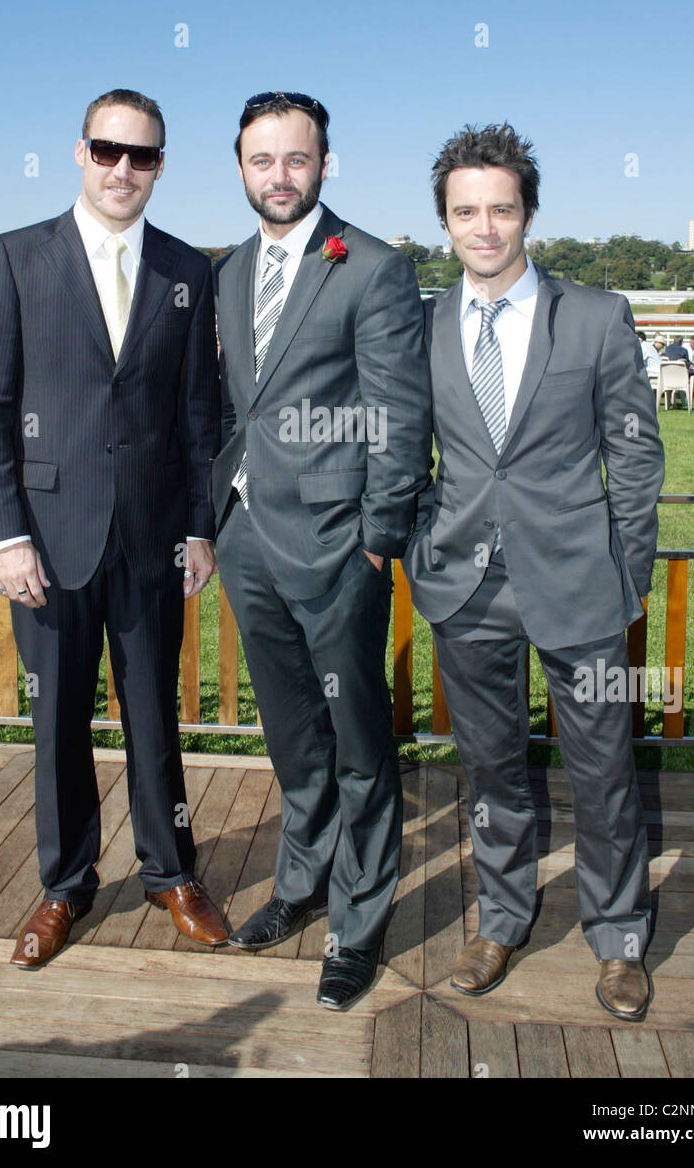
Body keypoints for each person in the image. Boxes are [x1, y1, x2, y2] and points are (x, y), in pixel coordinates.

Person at [402, 122, 665, 1021]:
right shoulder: (423, 324)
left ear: (527, 215)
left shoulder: (593, 316)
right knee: (489, 769)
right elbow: (403, 455)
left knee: (603, 767)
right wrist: (416, 547)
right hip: (464, 587)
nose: (484, 227)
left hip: (580, 583)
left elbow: (634, 455)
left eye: (500, 209)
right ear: (444, 222)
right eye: (465, 211)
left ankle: (619, 934)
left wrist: (626, 571)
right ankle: (501, 918)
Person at [0, 88, 226, 969]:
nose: (123, 169)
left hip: (152, 540)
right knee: (57, 722)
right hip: (45, 542)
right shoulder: (16, 257)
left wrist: (197, 526)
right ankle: (64, 886)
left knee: (155, 717)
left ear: (159, 166)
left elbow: (198, 414)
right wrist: (4, 536)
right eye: (108, 150)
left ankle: (170, 872)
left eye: (142, 155)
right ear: (79, 152)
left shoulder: (189, 271)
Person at [213, 90, 431, 1011]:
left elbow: (397, 412)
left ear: (324, 164)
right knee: (293, 735)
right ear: (240, 169)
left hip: (339, 546)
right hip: (246, 539)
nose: (279, 176)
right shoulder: (227, 273)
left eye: (296, 159)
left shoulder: (370, 266)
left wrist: (376, 543)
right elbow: (236, 405)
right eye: (262, 160)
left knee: (355, 740)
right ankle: (300, 888)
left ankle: (357, 920)